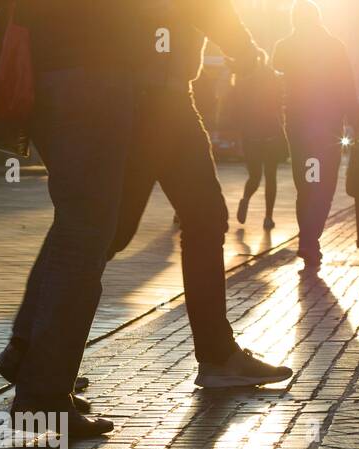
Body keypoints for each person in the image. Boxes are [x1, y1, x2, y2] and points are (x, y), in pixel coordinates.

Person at [109, 0, 292, 389]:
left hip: (138, 95)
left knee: (110, 228)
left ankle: (34, 352)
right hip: (159, 99)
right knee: (106, 229)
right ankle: (217, 357)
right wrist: (248, 54)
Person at [0, 0, 143, 440]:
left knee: (74, 225)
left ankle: (31, 362)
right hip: (93, 69)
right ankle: (43, 396)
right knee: (85, 234)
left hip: (50, 68)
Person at [272, 0, 359, 272]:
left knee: (306, 183)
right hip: (327, 127)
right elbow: (348, 85)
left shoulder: (286, 45)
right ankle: (310, 239)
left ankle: (308, 240)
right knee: (323, 185)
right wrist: (356, 124)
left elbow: (276, 66)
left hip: (299, 126)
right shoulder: (334, 46)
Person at [235, 52, 288, 232]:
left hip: (251, 137)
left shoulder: (245, 82)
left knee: (255, 177)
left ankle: (245, 199)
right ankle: (268, 217)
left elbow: (239, 110)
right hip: (271, 135)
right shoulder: (274, 79)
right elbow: (280, 107)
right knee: (271, 177)